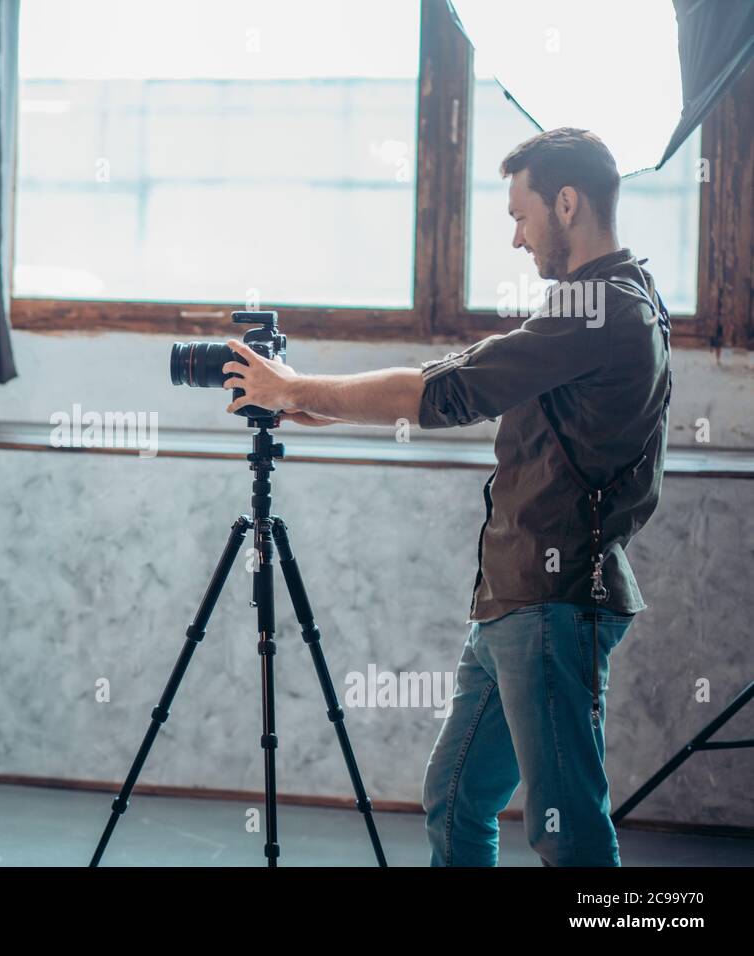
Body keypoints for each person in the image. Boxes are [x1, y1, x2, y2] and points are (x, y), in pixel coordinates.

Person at [221, 128, 671, 866]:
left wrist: (295, 388)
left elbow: (450, 390)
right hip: (516, 598)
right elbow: (461, 369)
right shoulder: (621, 298)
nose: (519, 239)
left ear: (567, 202)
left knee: (568, 832)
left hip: (553, 602)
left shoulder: (600, 308)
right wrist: (320, 402)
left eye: (521, 216)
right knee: (457, 801)